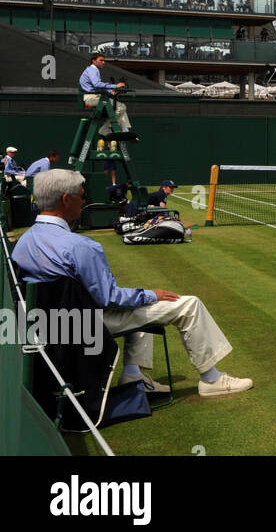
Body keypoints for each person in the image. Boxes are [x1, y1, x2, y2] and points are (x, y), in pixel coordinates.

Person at [11, 169, 253, 397]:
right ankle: (211, 380)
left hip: (52, 324)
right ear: (66, 199)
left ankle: (132, 376)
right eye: (82, 196)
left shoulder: (22, 243)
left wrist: (144, 295)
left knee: (140, 304)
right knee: (188, 304)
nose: (84, 200)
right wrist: (151, 294)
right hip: (88, 324)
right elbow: (109, 298)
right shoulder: (82, 247)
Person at [78, 54, 135, 139]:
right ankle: (106, 128)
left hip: (95, 96)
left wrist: (110, 91)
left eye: (104, 60)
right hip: (90, 98)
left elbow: (98, 87)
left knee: (120, 106)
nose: (104, 62)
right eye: (101, 60)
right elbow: (97, 84)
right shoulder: (92, 70)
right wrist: (115, 86)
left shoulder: (94, 70)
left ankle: (124, 130)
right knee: (121, 106)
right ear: (94, 61)